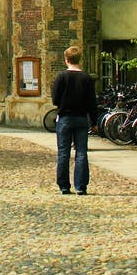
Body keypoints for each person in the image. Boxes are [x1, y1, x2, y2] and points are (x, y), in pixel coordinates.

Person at [52, 45, 98, 195]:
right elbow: (92, 102)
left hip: (65, 118)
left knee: (63, 152)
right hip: (81, 118)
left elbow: (55, 99)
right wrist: (95, 121)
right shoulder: (86, 78)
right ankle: (81, 186)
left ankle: (64, 186)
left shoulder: (61, 77)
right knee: (81, 153)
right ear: (80, 59)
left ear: (66, 59)